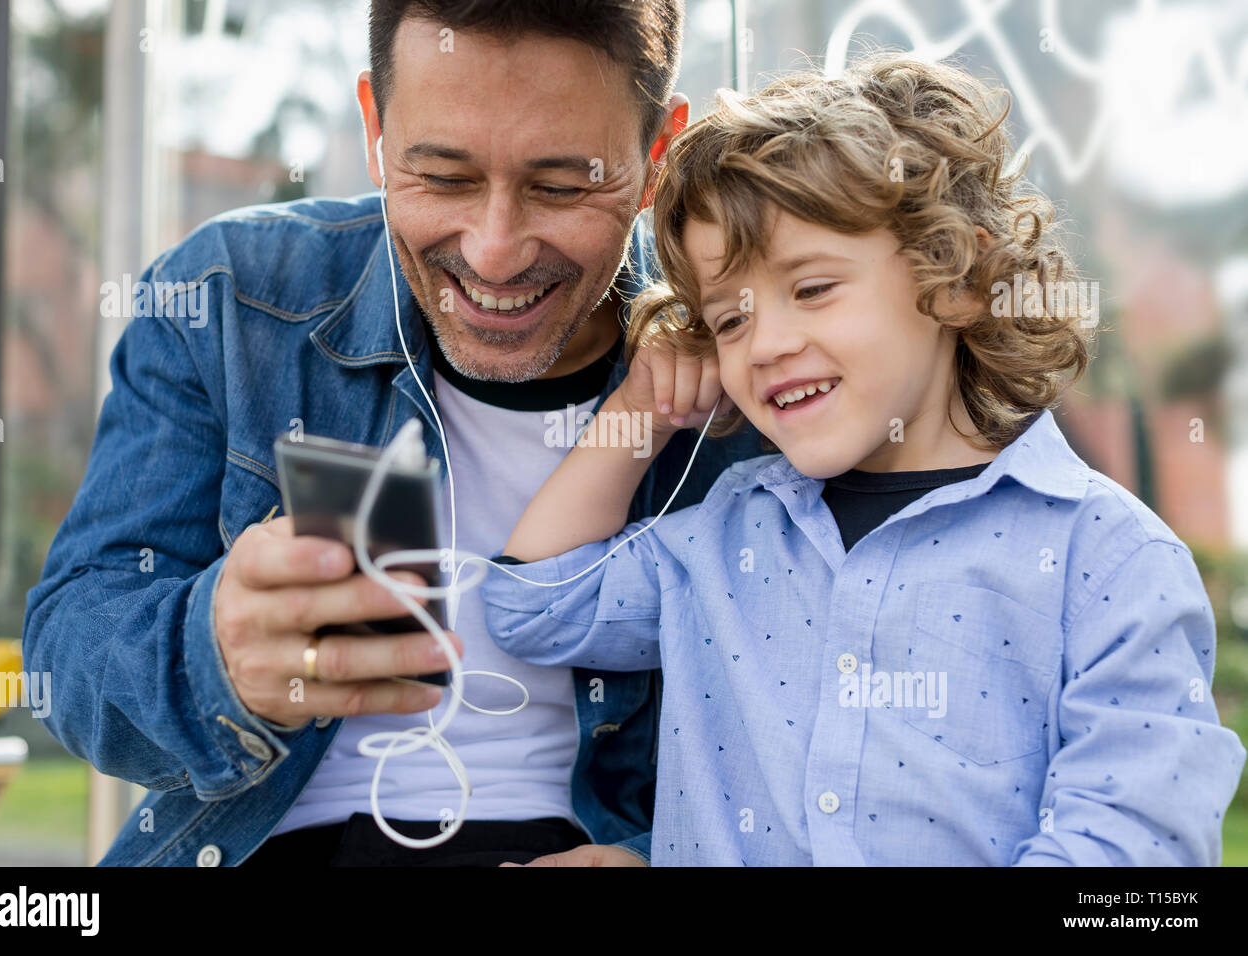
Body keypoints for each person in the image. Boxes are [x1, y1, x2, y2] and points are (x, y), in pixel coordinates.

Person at [22, 0, 762, 867]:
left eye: (561, 187)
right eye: (442, 176)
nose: (494, 254)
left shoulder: (752, 355)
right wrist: (211, 654)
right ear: (376, 126)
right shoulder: (229, 300)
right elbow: (69, 647)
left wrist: (663, 856)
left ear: (657, 157)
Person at [482, 54, 1248, 865]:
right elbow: (534, 604)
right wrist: (641, 408)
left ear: (955, 280)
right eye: (730, 320)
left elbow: (1131, 858)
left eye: (812, 289)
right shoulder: (728, 531)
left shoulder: (1108, 560)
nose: (767, 343)